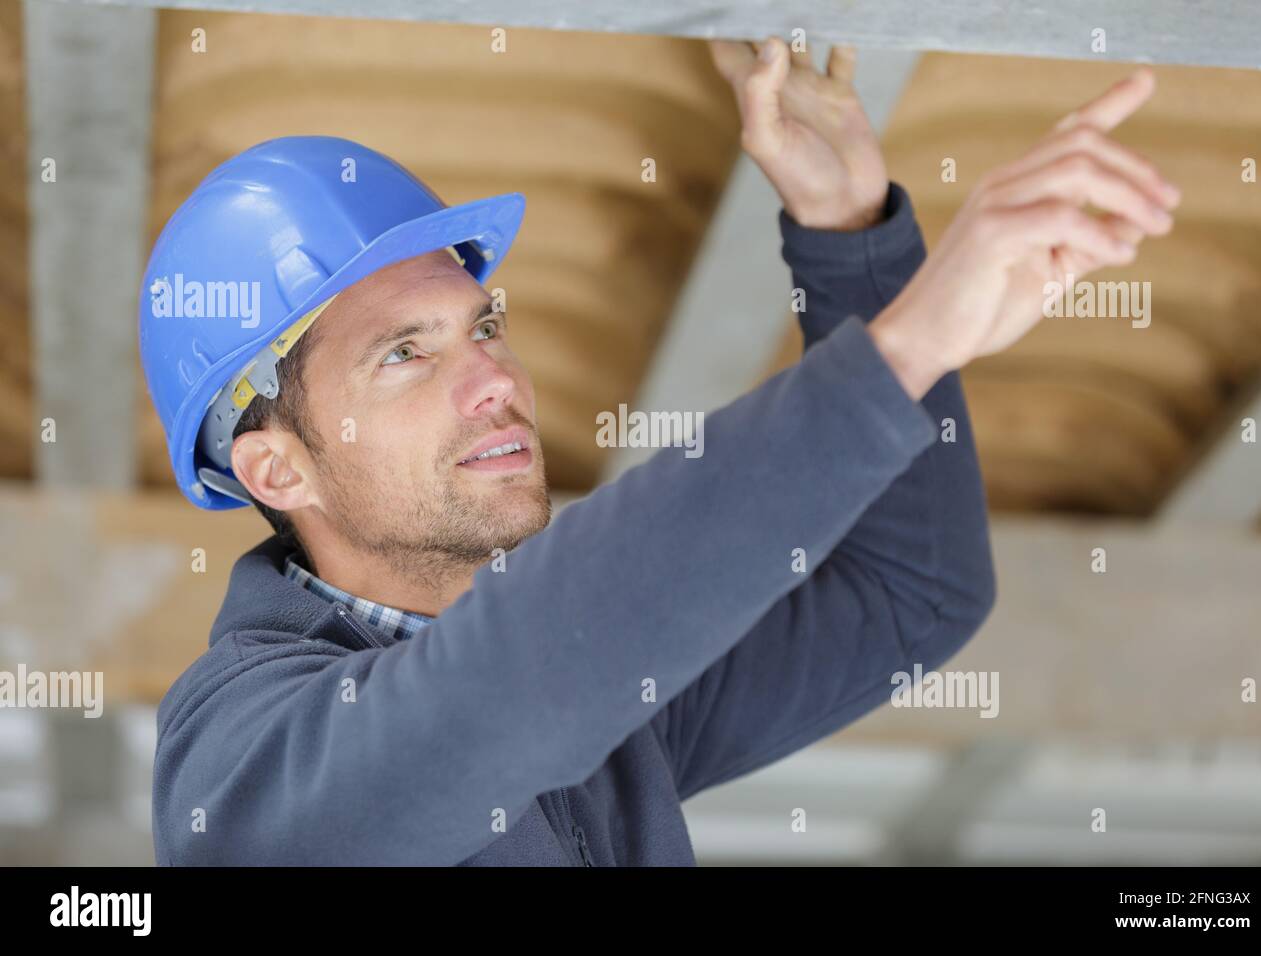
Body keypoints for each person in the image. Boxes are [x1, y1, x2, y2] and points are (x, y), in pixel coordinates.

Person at [143, 37, 1177, 865]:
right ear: (278, 469)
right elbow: (503, 683)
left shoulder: (607, 706)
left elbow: (911, 591)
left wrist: (849, 234)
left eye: (484, 325)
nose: (496, 379)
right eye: (405, 354)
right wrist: (910, 341)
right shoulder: (243, 763)